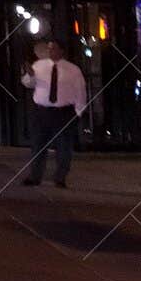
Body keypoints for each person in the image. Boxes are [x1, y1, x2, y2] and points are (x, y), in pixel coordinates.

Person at [20, 40, 87, 187]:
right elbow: (28, 83)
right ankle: (35, 176)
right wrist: (30, 75)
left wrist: (78, 112)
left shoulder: (73, 70)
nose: (51, 51)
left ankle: (60, 177)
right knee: (38, 145)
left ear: (61, 51)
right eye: (49, 49)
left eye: (54, 48)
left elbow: (80, 91)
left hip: (63, 112)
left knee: (64, 147)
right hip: (42, 110)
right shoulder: (39, 65)